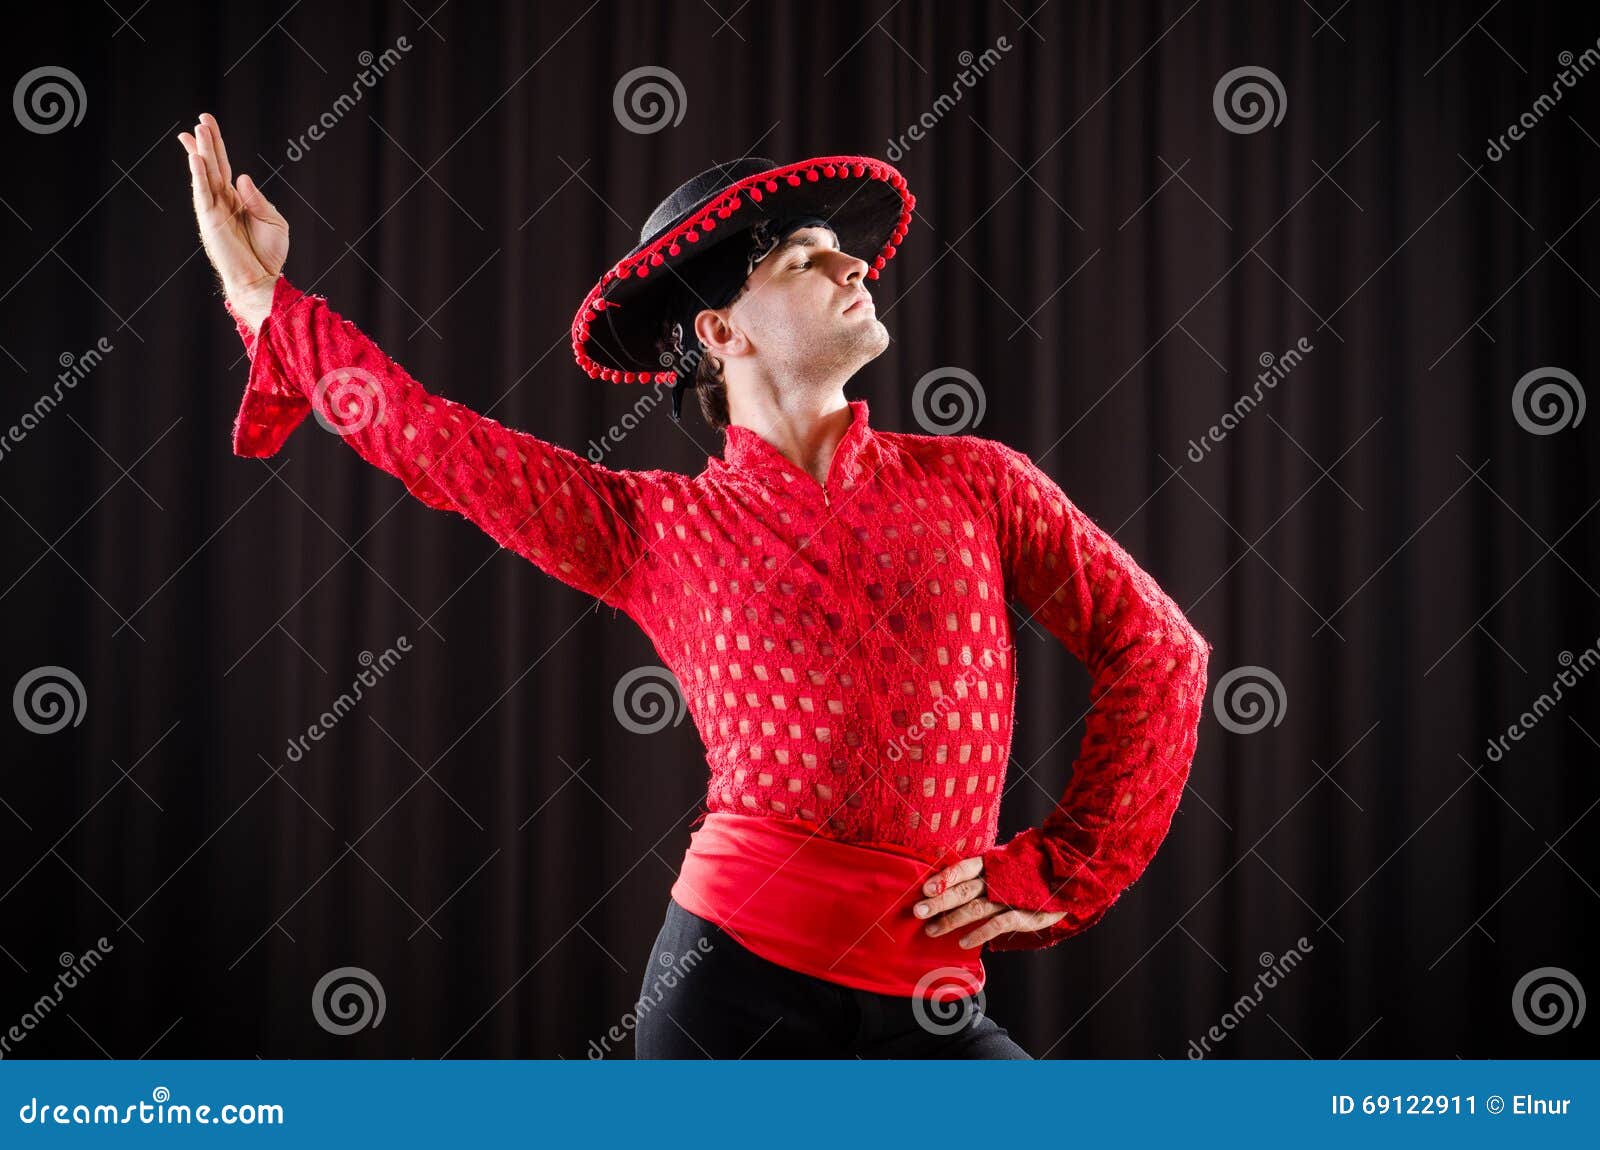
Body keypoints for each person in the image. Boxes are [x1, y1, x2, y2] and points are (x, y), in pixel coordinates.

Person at [180, 112, 1213, 1059]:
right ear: (721, 331)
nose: (853, 264)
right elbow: (427, 439)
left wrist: (1073, 867)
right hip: (728, 997)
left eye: (838, 250)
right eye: (805, 259)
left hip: (932, 1000)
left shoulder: (980, 480)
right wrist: (259, 292)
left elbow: (1162, 651)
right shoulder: (649, 524)